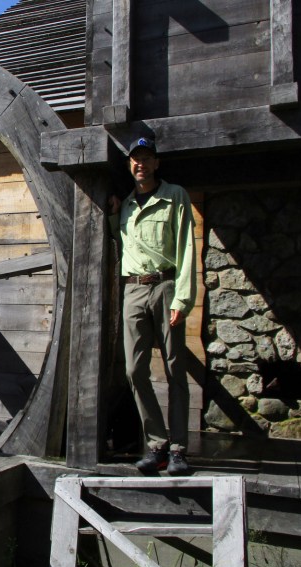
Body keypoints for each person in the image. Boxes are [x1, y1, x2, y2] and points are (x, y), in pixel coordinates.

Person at [109, 136, 196, 475]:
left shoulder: (175, 197)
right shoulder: (128, 205)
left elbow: (187, 246)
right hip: (134, 291)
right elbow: (120, 240)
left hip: (166, 286)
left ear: (156, 163)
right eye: (135, 159)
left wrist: (183, 298)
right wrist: (114, 215)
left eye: (146, 157)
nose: (140, 163)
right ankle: (157, 444)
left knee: (175, 370)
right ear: (129, 165)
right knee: (134, 371)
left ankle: (178, 450)